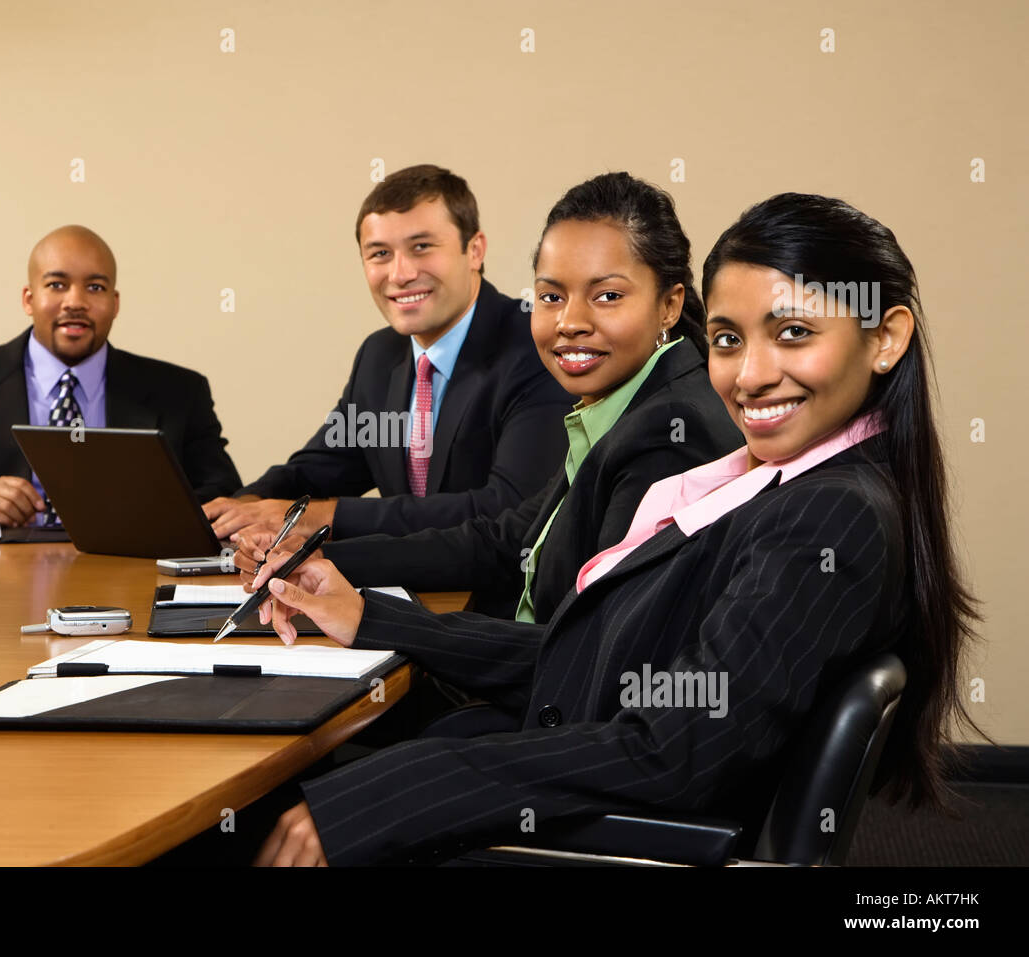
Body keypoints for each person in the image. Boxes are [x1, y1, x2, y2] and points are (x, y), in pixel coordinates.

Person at [248, 192, 982, 866]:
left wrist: (392, 793)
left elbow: (673, 750)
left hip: (632, 838)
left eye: (792, 333)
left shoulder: (828, 515)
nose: (750, 374)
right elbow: (600, 658)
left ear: (885, 340)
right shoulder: (777, 481)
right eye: (727, 339)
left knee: (260, 818)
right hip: (602, 789)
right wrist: (369, 614)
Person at [233, 173, 743, 623]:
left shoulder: (666, 431)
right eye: (551, 296)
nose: (570, 323)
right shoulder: (615, 407)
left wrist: (376, 621)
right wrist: (313, 555)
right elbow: (504, 537)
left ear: (669, 303)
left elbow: (581, 657)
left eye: (607, 295)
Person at [202, 165, 573, 543]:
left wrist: (327, 515)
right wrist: (246, 505)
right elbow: (321, 467)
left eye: (421, 247)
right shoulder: (379, 355)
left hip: (499, 597)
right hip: (407, 590)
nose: (400, 274)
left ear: (474, 250)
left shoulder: (535, 348)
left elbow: (508, 506)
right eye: (380, 253)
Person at [0, 225, 242, 525]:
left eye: (95, 287)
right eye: (56, 285)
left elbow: (226, 502)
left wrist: (141, 514)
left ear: (115, 305)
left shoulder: (180, 392)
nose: (75, 301)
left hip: (128, 584)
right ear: (28, 299)